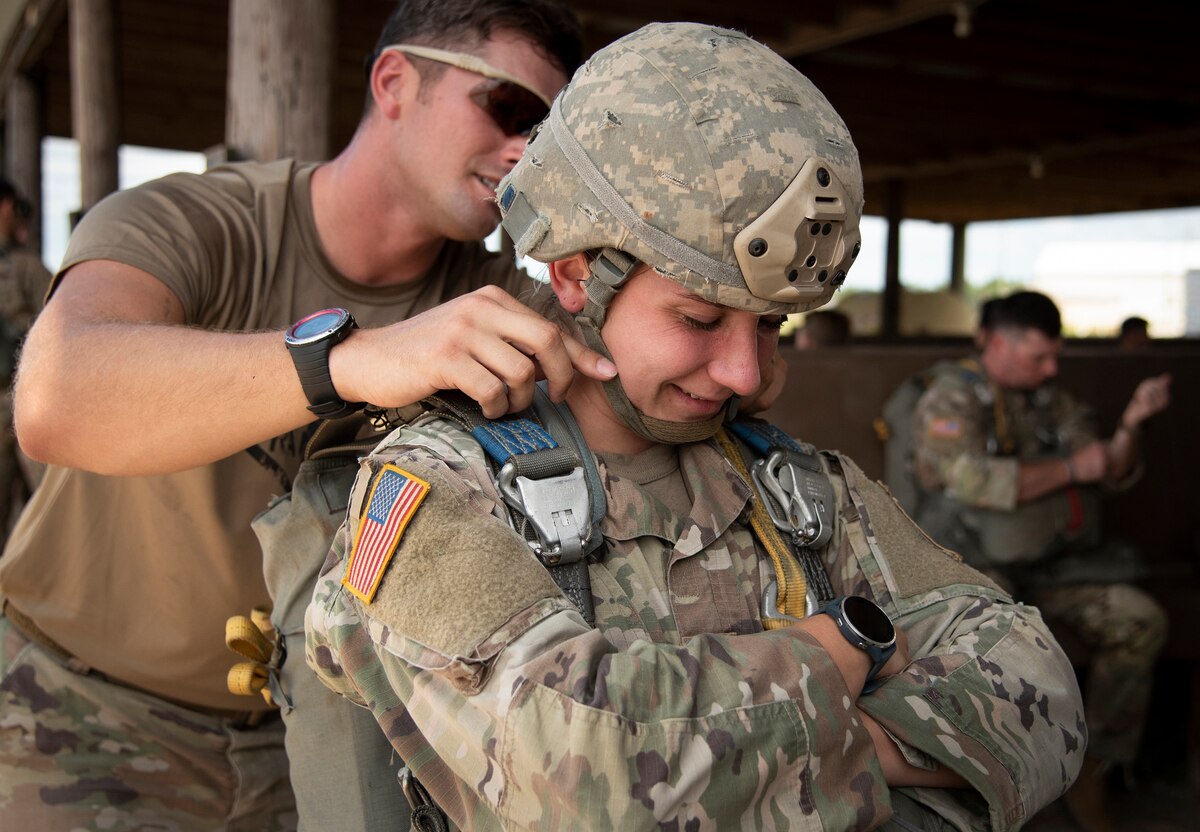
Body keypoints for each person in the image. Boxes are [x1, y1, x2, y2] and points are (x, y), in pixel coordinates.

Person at [306, 24, 1085, 831]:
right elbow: (592, 775)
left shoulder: (798, 488)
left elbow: (1040, 688)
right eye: (700, 317)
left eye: (772, 327)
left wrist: (793, 751)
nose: (746, 373)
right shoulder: (433, 491)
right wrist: (844, 655)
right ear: (576, 273)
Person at [0, 2, 614, 829]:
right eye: (508, 110)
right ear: (396, 81)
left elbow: (672, 381)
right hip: (77, 716)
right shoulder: (201, 222)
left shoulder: (504, 300)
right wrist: (351, 361)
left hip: (324, 745)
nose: (522, 151)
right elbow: (56, 396)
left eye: (545, 138)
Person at [907, 290, 1170, 832]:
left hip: (1051, 564)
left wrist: (1131, 427)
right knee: (1003, 646)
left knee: (1140, 621)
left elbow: (1107, 466)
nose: (1052, 369)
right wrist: (1072, 469)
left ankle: (1094, 766)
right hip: (975, 570)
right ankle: (1003, 775)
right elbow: (967, 477)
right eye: (1039, 357)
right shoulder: (950, 400)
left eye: (1055, 357)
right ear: (997, 344)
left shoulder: (1048, 400)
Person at [0, 178, 52, 537]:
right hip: (21, 403)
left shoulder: (24, 267)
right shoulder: (23, 267)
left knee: (48, 510)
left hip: (23, 405)